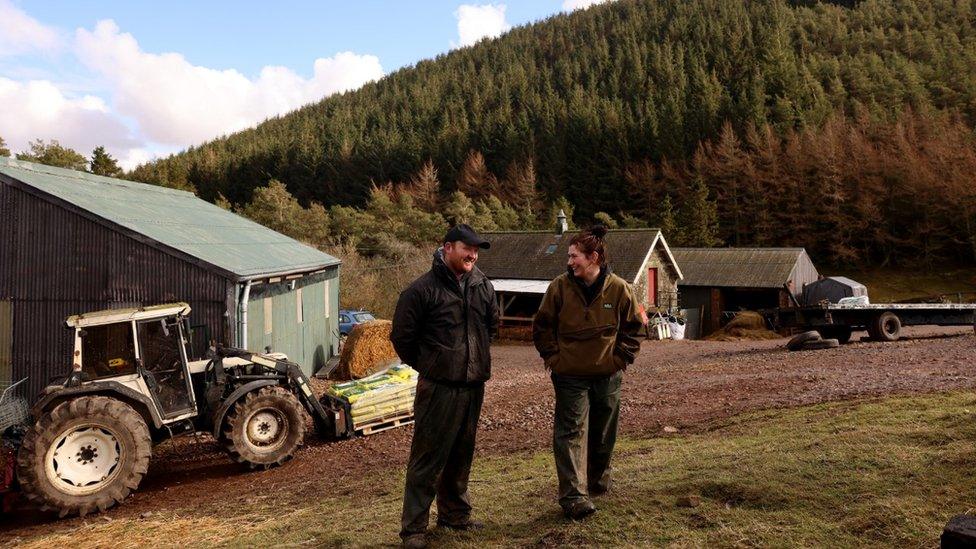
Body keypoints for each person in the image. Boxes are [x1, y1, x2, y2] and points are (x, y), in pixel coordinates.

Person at [391, 223, 499, 549]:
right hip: (438, 387)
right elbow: (402, 339)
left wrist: (473, 359)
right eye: (467, 248)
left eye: (476, 250)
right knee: (427, 458)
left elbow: (491, 326)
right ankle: (413, 529)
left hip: (473, 384)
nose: (473, 255)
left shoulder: (482, 286)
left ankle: (455, 514)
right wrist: (432, 365)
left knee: (461, 454)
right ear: (448, 247)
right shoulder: (420, 291)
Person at [532, 225, 643, 520]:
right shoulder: (559, 287)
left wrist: (620, 359)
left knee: (604, 431)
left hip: (608, 374)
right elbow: (542, 326)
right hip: (569, 375)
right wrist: (554, 358)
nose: (569, 262)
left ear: (593, 257)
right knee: (570, 432)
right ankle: (573, 496)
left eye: (574, 256)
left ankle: (596, 482)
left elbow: (635, 328)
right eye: (569, 256)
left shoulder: (619, 289)